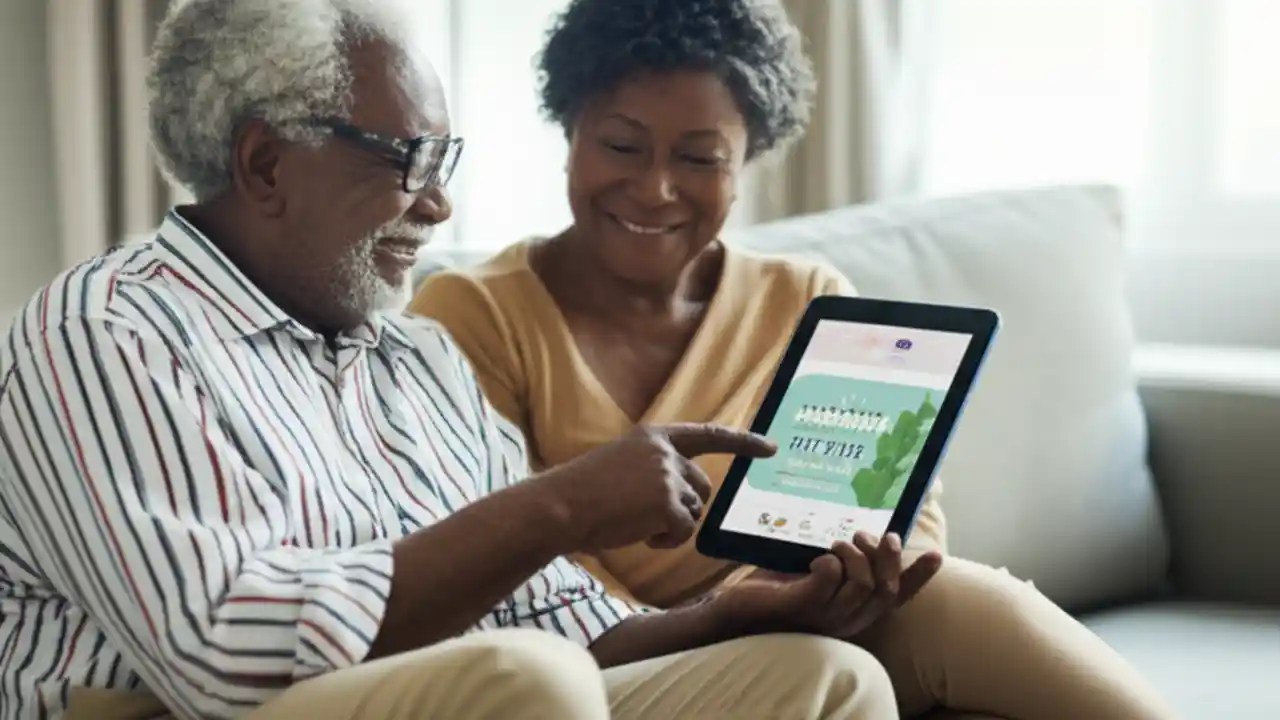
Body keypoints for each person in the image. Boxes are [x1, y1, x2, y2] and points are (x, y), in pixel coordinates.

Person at [0, 2, 943, 719]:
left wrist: (737, 612)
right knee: (528, 681)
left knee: (820, 675)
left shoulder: (417, 361)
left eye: (446, 161)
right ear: (265, 164)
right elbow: (220, 655)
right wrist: (564, 502)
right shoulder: (106, 334)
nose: (438, 207)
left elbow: (570, 622)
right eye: (409, 159)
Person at [410, 0, 1177, 718]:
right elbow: (500, 565)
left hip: (808, 625)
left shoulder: (804, 296)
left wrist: (853, 577)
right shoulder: (472, 314)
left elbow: (906, 510)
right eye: (621, 146)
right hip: (616, 667)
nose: (655, 188)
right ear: (570, 127)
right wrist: (722, 618)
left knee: (959, 602)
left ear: (748, 161)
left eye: (701, 158)